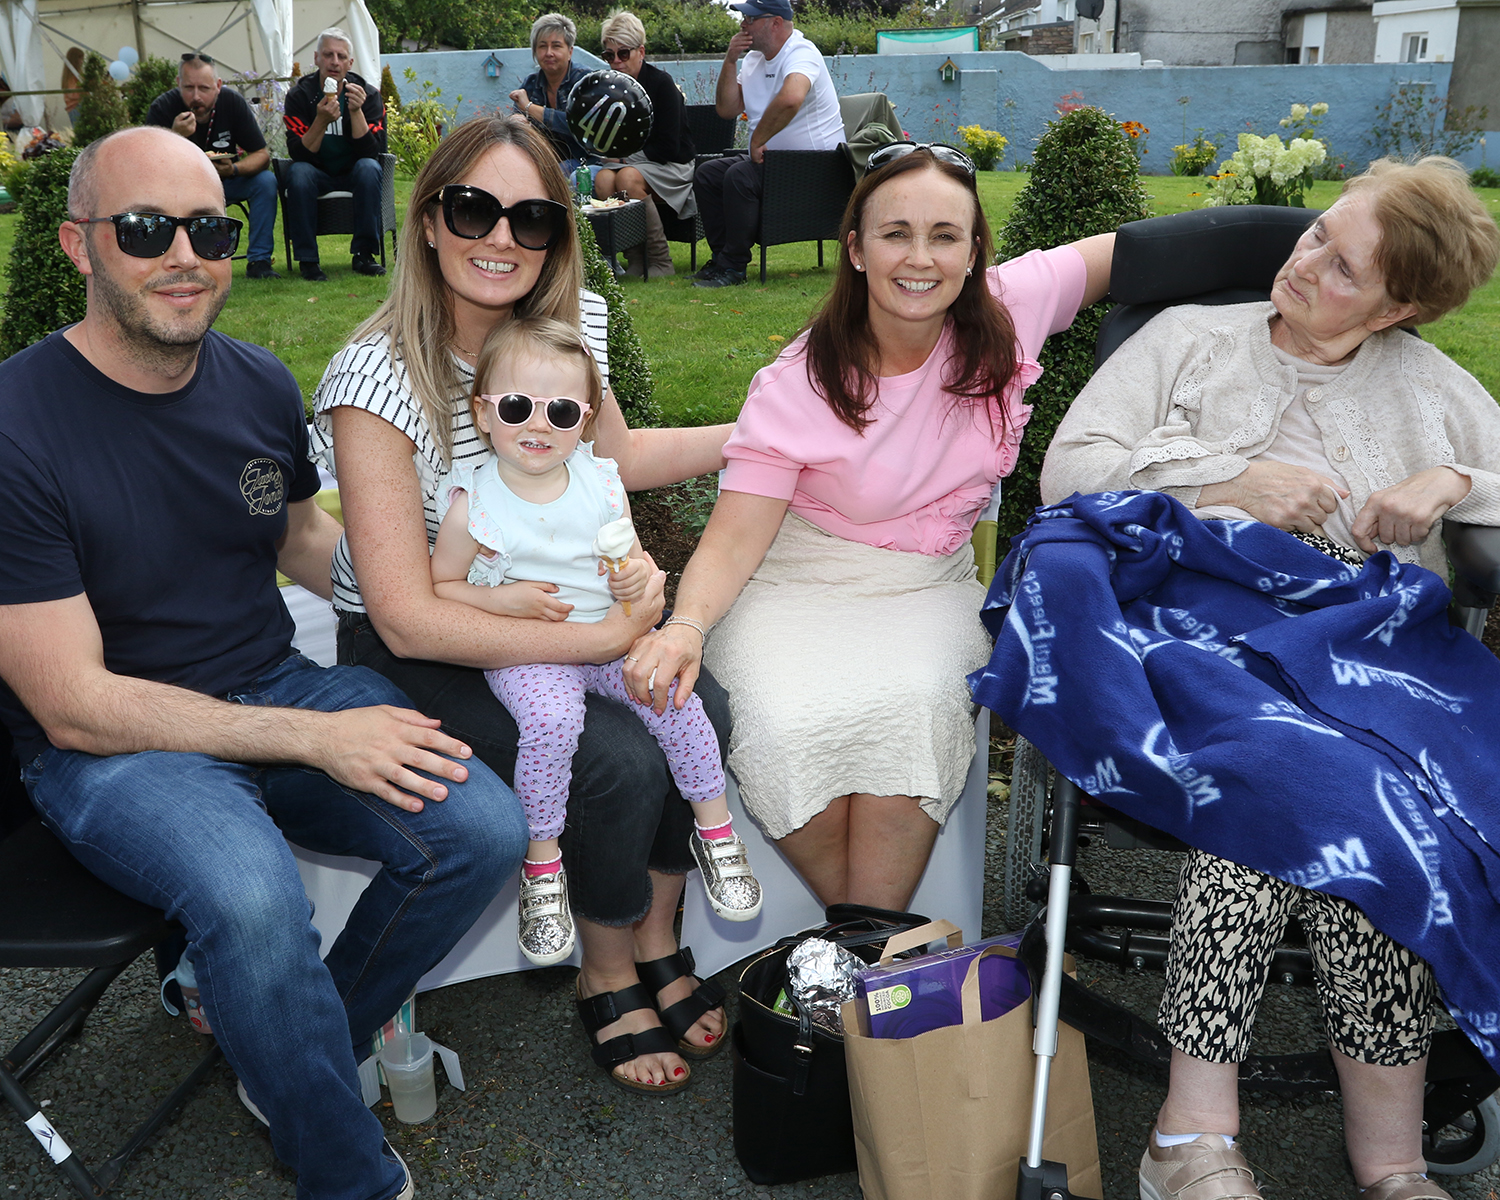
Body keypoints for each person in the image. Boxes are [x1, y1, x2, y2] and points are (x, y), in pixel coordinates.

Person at [0, 126, 526, 1199]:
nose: (183, 256)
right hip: (115, 746)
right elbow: (72, 707)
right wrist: (318, 737)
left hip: (271, 684)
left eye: (209, 229)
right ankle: (344, 1172)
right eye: (145, 230)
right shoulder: (16, 427)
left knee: (481, 831)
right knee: (251, 899)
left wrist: (426, 595)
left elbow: (293, 534)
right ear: (78, 243)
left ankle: (287, 1054)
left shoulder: (254, 381)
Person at [1040, 156, 1500, 1200]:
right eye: (1318, 233)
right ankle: (1326, 1152)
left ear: (1400, 308)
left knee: (1360, 796)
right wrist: (1230, 481)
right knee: (1293, 779)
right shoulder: (1187, 338)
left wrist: (1454, 478)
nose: (1305, 262)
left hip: (1355, 648)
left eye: (1345, 269)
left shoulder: (1430, 387)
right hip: (1189, 624)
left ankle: (1233, 1144)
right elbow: (1070, 470)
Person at [311, 114, 738, 1095]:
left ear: (557, 234)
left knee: (697, 704)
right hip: (418, 641)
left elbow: (618, 457)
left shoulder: (566, 325)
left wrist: (765, 428)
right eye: (474, 209)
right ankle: (607, 969)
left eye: (532, 218)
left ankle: (658, 937)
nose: (501, 237)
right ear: (428, 220)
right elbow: (406, 612)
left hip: (563, 618)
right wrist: (609, 634)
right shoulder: (376, 376)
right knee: (615, 758)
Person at [625, 143, 1113, 910]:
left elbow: (1136, 253)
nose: (920, 258)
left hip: (926, 586)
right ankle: (872, 939)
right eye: (895, 234)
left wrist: (1298, 258)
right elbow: (735, 535)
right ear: (855, 248)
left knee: (915, 709)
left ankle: (858, 945)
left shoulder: (1010, 306)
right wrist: (686, 626)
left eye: (945, 236)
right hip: (795, 577)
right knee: (779, 723)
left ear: (974, 252)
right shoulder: (800, 380)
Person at [430, 315, 762, 966]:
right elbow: (441, 586)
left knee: (676, 699)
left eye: (560, 411)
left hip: (610, 637)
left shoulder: (600, 481)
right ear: (483, 412)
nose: (538, 424)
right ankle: (542, 863)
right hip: (532, 651)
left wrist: (635, 575)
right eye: (517, 406)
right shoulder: (477, 504)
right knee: (552, 724)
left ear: (584, 420)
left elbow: (630, 557)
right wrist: (499, 600)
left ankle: (716, 832)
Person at [691, 0, 845, 289]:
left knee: (739, 176)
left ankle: (734, 268)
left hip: (815, 167)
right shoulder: (753, 60)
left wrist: (758, 139)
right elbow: (727, 109)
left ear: (775, 23)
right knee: (708, 174)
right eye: (743, 17)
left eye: (750, 18)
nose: (743, 24)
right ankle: (722, 260)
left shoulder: (801, 52)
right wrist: (730, 61)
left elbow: (791, 98)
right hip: (774, 163)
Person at [146, 52, 281, 279]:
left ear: (218, 86)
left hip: (225, 182)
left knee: (265, 181)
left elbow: (261, 155)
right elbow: (149, 165)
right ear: (178, 84)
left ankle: (259, 262)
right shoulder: (163, 107)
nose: (196, 96)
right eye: (189, 88)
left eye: (204, 88)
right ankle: (177, 260)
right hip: (179, 190)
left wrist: (234, 169)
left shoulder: (231, 103)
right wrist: (174, 136)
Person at [592, 11, 697, 279]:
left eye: (623, 53)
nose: (616, 61)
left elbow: (669, 147)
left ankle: (660, 259)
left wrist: (624, 160)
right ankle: (636, 258)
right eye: (609, 55)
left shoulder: (661, 85)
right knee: (603, 180)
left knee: (626, 178)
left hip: (672, 165)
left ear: (640, 52)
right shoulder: (611, 89)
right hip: (636, 165)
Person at [283, 27, 386, 282]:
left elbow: (372, 152)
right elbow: (299, 154)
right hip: (317, 171)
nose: (334, 62)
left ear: (350, 63)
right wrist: (321, 120)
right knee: (299, 173)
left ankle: (364, 255)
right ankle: (308, 260)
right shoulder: (300, 95)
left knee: (369, 168)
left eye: (341, 56)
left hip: (354, 171)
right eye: (328, 55)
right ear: (317, 58)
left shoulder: (368, 95)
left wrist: (356, 111)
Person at [510, 13, 596, 182]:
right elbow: (516, 126)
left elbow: (579, 125)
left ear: (570, 52)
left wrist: (530, 108)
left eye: (556, 46)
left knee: (553, 176)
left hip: (586, 160)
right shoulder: (531, 84)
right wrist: (517, 122)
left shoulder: (585, 81)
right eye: (542, 46)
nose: (549, 53)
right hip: (546, 161)